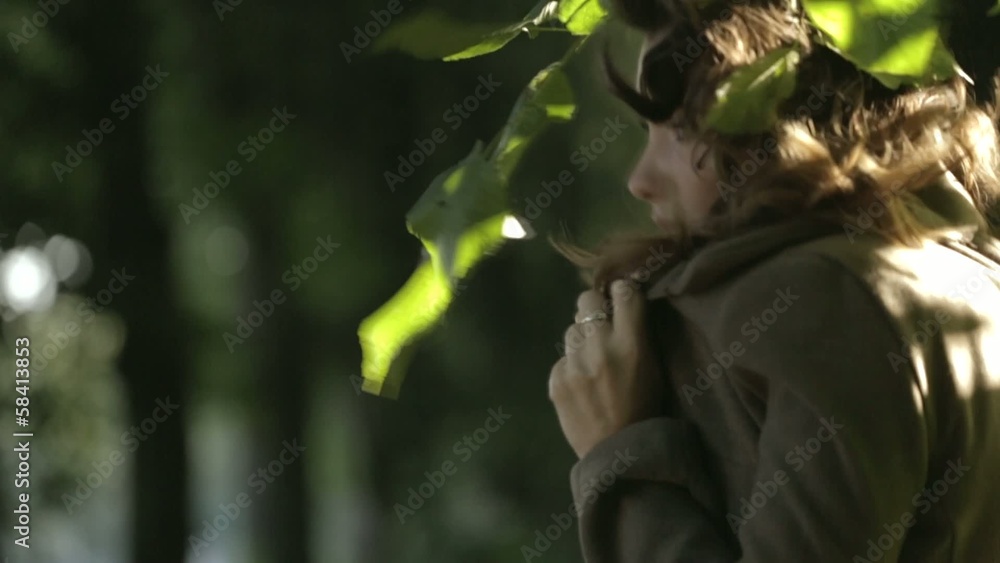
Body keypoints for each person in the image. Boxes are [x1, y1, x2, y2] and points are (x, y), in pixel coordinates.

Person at [546, 0, 1000, 560]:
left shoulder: (818, 302)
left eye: (684, 130)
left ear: (788, 123)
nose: (641, 180)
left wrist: (623, 457)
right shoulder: (967, 282)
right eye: (648, 130)